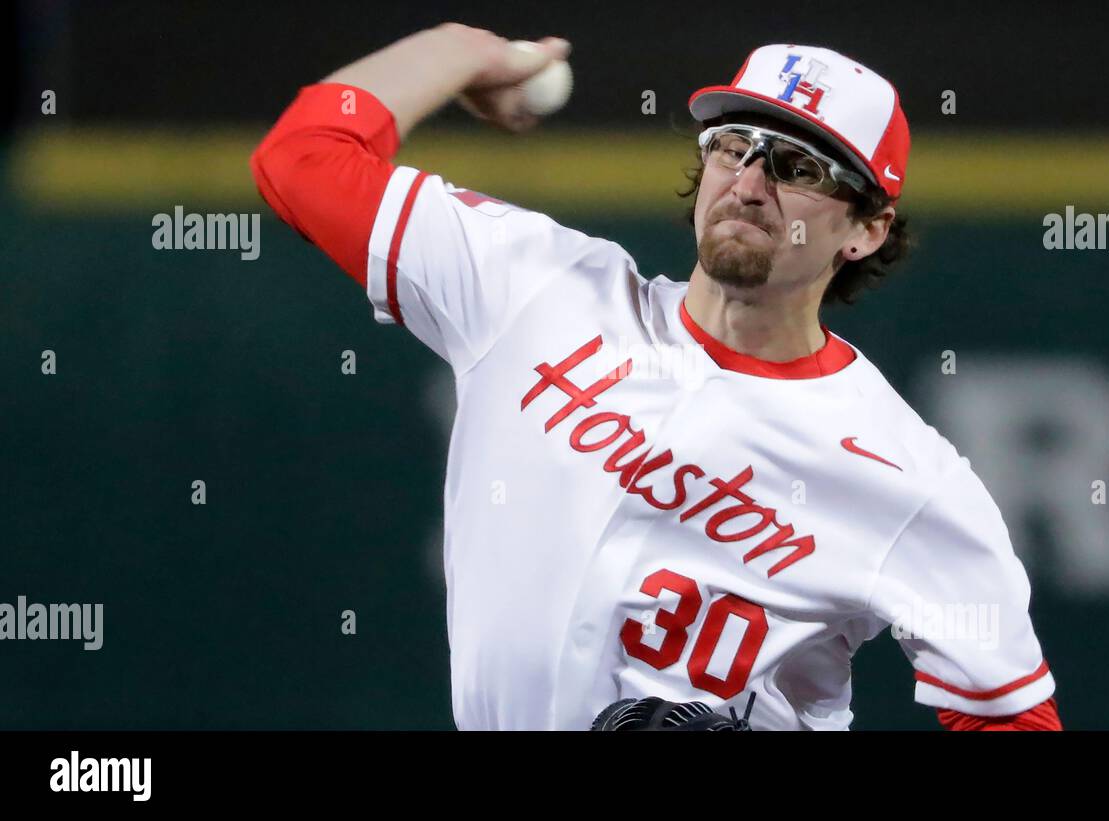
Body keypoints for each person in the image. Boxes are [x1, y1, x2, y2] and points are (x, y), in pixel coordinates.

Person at [250, 23, 1061, 731]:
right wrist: (463, 51)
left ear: (867, 227)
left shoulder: (908, 475)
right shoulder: (536, 288)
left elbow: (1011, 714)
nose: (749, 182)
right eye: (732, 146)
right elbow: (301, 159)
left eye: (796, 166)